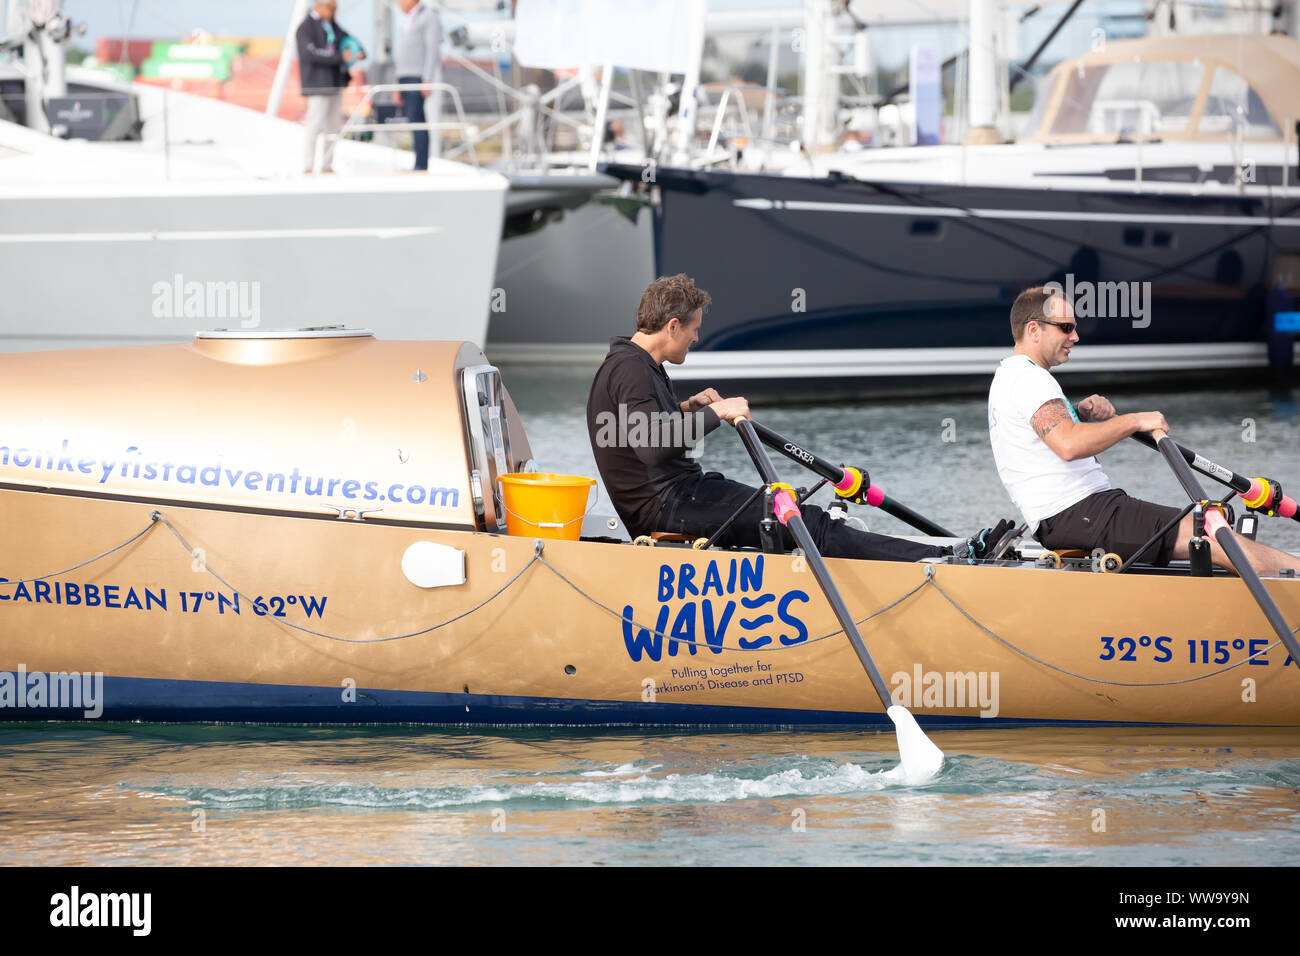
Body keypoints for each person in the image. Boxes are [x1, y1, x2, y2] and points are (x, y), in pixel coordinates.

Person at [587, 274, 1010, 562]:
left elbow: (635, 432)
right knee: (804, 522)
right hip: (667, 506)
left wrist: (686, 409)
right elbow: (651, 445)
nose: (697, 338)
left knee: (790, 511)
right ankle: (937, 558)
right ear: (674, 325)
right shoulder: (631, 369)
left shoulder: (635, 363)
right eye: (695, 329)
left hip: (681, 494)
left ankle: (933, 551)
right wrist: (717, 411)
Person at [988, 286, 1300, 574]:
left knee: (1207, 530)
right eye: (1066, 327)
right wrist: (1135, 421)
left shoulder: (1010, 375)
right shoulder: (1031, 380)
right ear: (1033, 330)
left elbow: (1047, 435)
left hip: (1078, 514)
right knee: (1210, 536)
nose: (1075, 336)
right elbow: (1068, 445)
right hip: (1080, 512)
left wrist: (1077, 412)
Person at [297, 0, 365, 174]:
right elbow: (310, 54)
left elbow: (349, 40)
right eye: (332, 8)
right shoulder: (305, 27)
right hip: (317, 86)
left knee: (332, 128)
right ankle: (308, 166)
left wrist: (359, 51)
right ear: (320, 5)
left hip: (335, 84)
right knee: (314, 125)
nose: (335, 11)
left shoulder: (333, 27)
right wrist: (339, 57)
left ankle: (327, 165)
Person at [394, 0, 443, 170]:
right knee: (411, 118)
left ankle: (421, 164)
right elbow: (401, 53)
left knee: (417, 119)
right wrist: (396, 85)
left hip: (418, 76)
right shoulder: (406, 19)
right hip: (404, 76)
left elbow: (432, 49)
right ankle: (418, 162)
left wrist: (427, 78)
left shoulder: (428, 16)